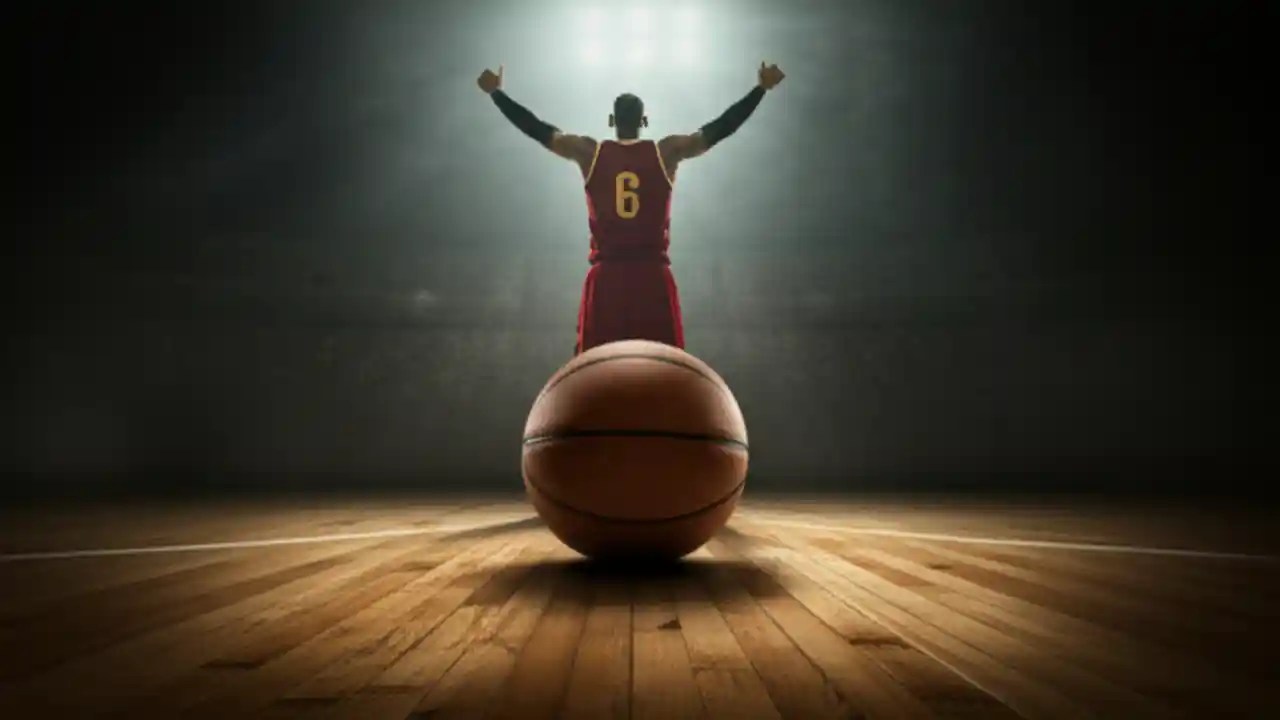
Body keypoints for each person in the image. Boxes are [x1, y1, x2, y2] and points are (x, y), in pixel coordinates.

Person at [477, 62, 785, 354]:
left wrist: (496, 94)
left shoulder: (589, 153)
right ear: (643, 121)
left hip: (607, 279)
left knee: (596, 370)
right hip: (652, 277)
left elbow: (538, 129)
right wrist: (760, 89)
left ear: (612, 121)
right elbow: (719, 129)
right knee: (664, 369)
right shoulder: (667, 152)